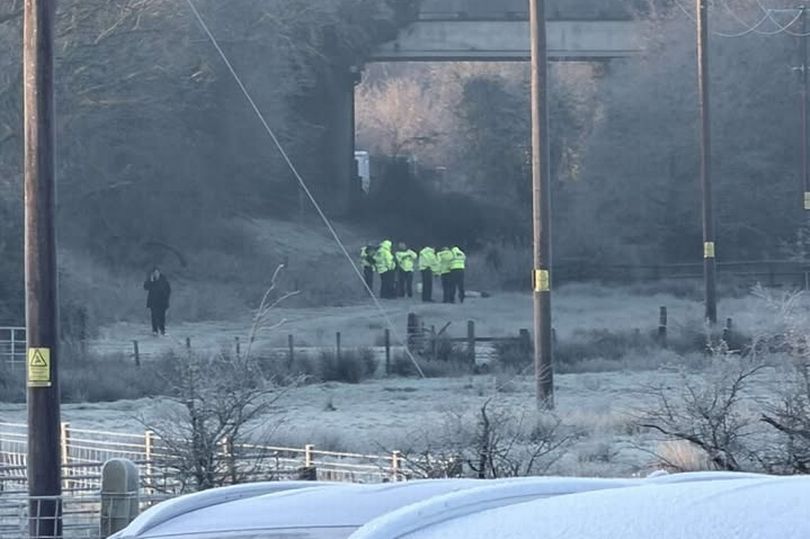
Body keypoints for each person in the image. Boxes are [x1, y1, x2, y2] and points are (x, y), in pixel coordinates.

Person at [143, 267, 171, 336]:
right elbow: (145, 287)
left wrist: (166, 297)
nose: (156, 274)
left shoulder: (164, 280)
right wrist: (151, 281)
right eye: (154, 273)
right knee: (154, 316)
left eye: (157, 272)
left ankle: (162, 330)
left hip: (162, 302)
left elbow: (168, 290)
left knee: (162, 316)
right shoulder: (151, 281)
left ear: (159, 272)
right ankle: (155, 330)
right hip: (153, 302)